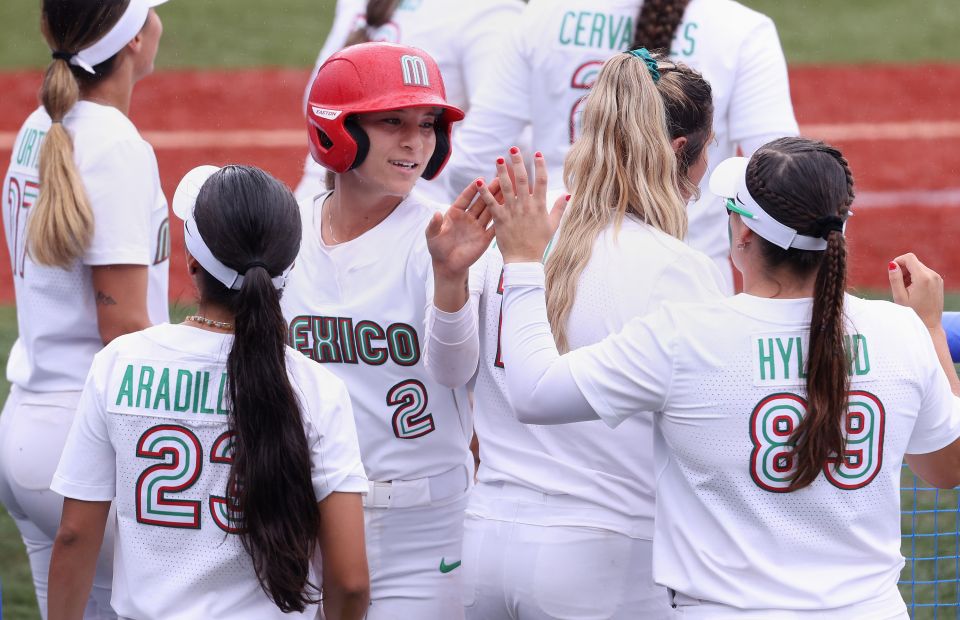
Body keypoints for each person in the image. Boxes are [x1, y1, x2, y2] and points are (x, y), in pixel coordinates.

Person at [489, 136, 960, 617]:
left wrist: (524, 261)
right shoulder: (901, 331)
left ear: (744, 234)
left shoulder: (685, 336)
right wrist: (930, 330)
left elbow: (535, 393)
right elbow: (948, 468)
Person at [429, 50, 722, 618]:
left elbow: (449, 374)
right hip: (607, 557)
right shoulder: (680, 271)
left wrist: (449, 279)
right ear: (681, 149)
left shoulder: (510, 234)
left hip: (486, 541)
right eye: (708, 149)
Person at [46, 165, 370, 620]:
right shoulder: (317, 388)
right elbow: (351, 583)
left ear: (193, 262)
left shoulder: (119, 363)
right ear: (289, 269)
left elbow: (74, 535)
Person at [281, 42, 498, 619]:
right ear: (338, 129)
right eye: (392, 122)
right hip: (304, 514)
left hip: (424, 525)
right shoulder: (287, 233)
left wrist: (451, 279)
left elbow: (455, 372)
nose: (415, 141)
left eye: (427, 124)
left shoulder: (445, 235)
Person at [0, 1, 171, 616]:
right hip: (88, 442)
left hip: (26, 430)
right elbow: (122, 326)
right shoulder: (116, 145)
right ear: (132, 40)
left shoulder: (39, 126)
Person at [444, 0, 799, 291]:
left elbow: (469, 164)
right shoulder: (741, 28)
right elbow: (782, 177)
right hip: (688, 277)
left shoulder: (542, 14)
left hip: (554, 270)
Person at [294, 0, 523, 203]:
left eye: (427, 124)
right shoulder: (491, 9)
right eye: (393, 120)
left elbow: (315, 103)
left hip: (318, 199)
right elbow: (495, 128)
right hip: (420, 211)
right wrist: (462, 209)